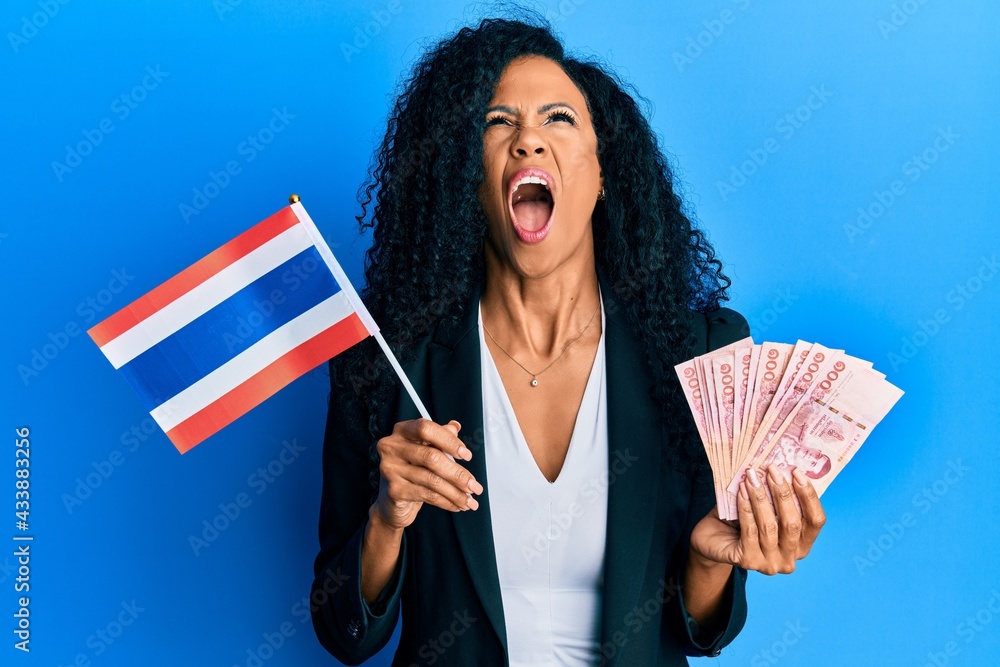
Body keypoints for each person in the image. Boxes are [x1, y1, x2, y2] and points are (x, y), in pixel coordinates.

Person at [310, 14, 826, 667]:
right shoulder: (386, 361)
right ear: (465, 177)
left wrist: (708, 560)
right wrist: (388, 518)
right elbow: (344, 631)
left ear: (604, 171)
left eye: (558, 118)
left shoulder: (699, 355)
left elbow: (702, 628)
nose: (528, 139)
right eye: (497, 122)